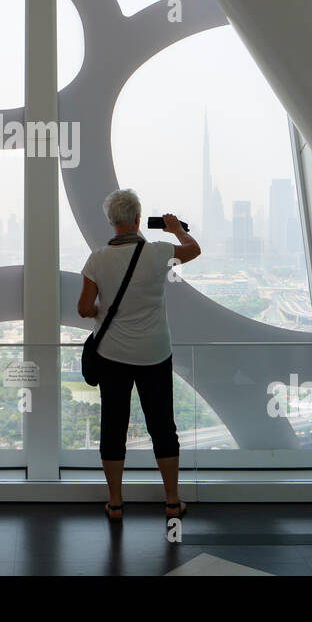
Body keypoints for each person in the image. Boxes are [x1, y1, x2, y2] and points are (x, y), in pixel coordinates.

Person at [76, 188, 201, 522]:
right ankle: (172, 502)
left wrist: (102, 309)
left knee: (113, 427)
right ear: (136, 218)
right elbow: (193, 250)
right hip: (155, 356)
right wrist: (176, 229)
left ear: (111, 222)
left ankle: (115, 504)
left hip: (112, 357)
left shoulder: (97, 259)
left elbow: (84, 308)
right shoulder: (159, 252)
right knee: (162, 427)